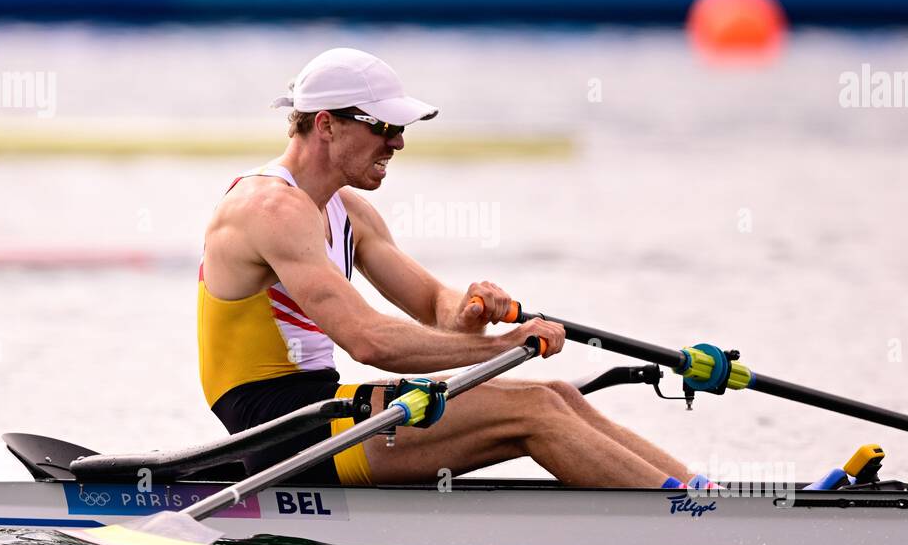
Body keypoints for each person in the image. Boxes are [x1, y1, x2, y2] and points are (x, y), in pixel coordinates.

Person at [198, 48, 698, 488]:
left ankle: (703, 495)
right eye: (384, 127)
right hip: (276, 430)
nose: (397, 143)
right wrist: (498, 346)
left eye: (400, 130)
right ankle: (693, 520)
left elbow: (434, 306)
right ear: (326, 124)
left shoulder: (347, 210)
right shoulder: (268, 209)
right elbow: (368, 340)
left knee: (556, 392)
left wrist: (472, 310)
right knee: (534, 410)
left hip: (322, 407)